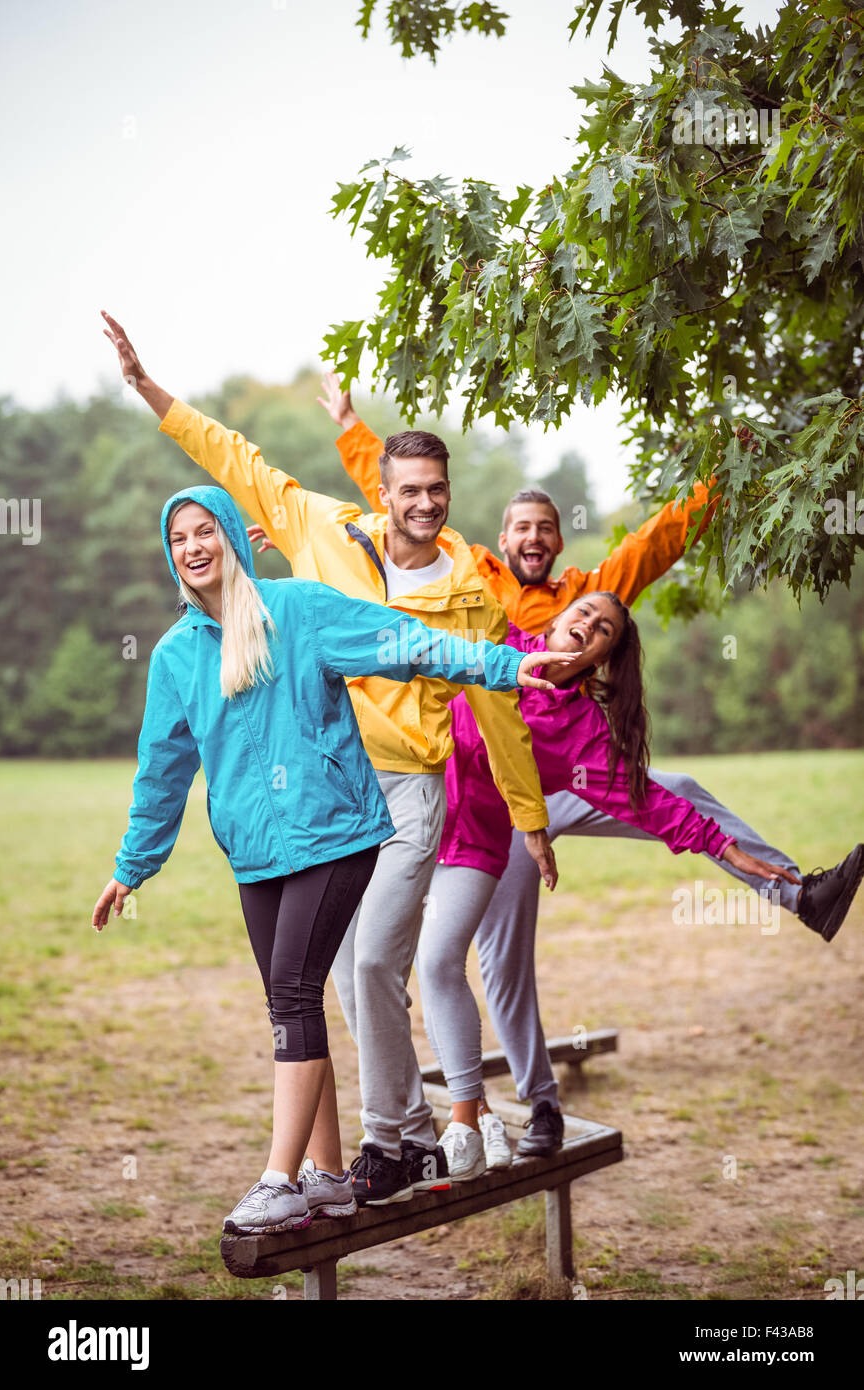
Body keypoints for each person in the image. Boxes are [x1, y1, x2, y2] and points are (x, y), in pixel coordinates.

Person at [322, 375, 864, 1157]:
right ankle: (534, 1106)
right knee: (495, 961)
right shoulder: (478, 585)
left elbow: (658, 538)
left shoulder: (592, 596)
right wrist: (349, 430)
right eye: (520, 528)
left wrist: (719, 479)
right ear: (502, 540)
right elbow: (400, 503)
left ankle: (795, 889)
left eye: (546, 527)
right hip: (493, 803)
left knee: (675, 795)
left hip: (567, 783)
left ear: (562, 545)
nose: (534, 538)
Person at [100, 312, 554, 1207]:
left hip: (390, 795)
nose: (423, 503)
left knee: (362, 967)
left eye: (437, 489)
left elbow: (455, 676)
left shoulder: (440, 589)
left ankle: (381, 1146)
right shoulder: (310, 543)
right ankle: (352, 1159)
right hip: (295, 816)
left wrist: (527, 797)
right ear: (381, 490)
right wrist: (148, 389)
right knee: (326, 981)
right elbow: (233, 461)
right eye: (407, 487)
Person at [415, 593, 813, 1177]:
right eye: (581, 614)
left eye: (603, 629)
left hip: (476, 840)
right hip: (408, 809)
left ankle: (472, 1118)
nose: (587, 626)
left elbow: (646, 799)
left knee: (437, 963)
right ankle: (434, 1120)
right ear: (553, 619)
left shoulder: (579, 730)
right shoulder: (499, 642)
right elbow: (418, 591)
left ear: (603, 658)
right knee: (372, 972)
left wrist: (728, 848)